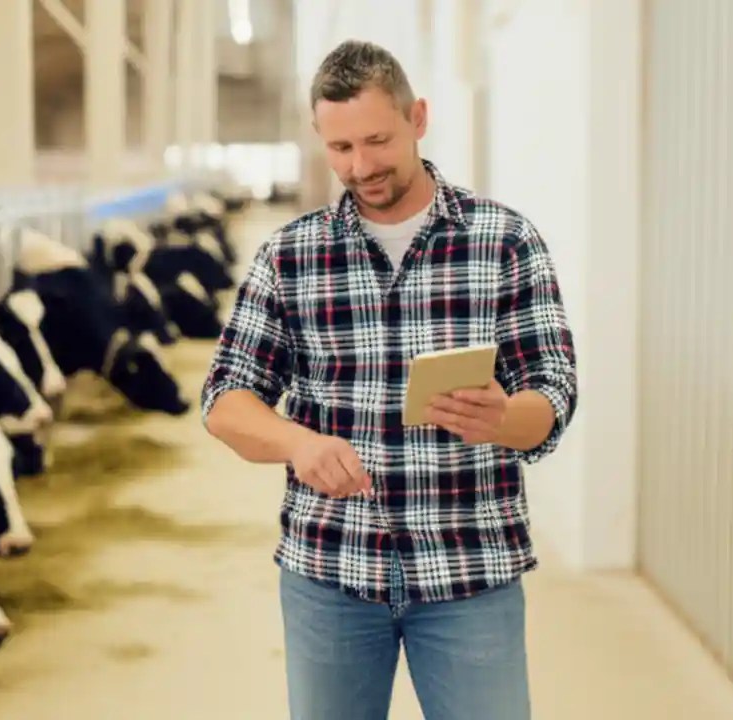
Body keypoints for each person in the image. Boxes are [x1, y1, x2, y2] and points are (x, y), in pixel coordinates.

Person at [200, 39, 578, 720]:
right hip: (330, 575)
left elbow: (553, 391)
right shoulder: (290, 257)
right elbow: (225, 400)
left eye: (377, 140)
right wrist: (297, 444)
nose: (362, 166)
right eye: (340, 148)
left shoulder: (504, 241)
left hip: (470, 572)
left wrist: (504, 417)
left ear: (418, 118)